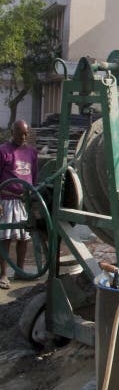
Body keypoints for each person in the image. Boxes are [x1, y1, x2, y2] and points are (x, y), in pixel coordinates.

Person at [0, 120, 38, 289]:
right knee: (5, 237)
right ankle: (3, 274)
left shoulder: (31, 152)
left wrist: (34, 198)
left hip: (25, 200)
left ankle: (20, 270)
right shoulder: (3, 151)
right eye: (20, 133)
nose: (23, 137)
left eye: (25, 133)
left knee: (24, 237)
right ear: (12, 132)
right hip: (7, 199)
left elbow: (34, 177)